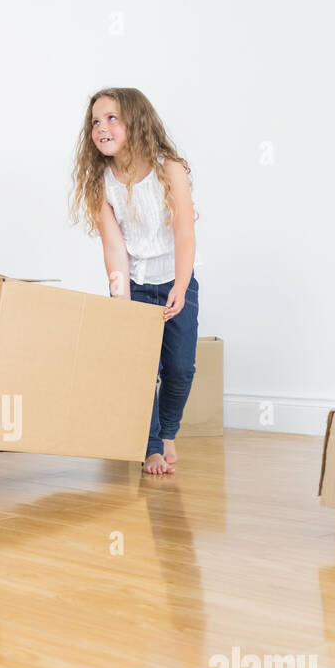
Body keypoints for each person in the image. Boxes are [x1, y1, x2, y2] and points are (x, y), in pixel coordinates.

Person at [71, 87, 199, 475]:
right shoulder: (101, 182)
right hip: (136, 283)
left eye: (112, 118)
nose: (101, 128)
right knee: (140, 369)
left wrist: (180, 285)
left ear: (136, 123)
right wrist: (120, 299)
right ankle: (151, 449)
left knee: (179, 368)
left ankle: (168, 431)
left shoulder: (169, 169)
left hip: (175, 278)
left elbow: (185, 233)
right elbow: (114, 247)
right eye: (95, 121)